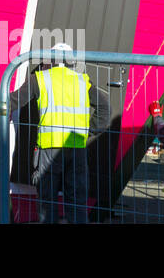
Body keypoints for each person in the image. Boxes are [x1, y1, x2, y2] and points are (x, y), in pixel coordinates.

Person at [10, 43, 100, 223]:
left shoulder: (40, 79)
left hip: (49, 149)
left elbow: (13, 101)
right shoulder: (83, 81)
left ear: (50, 59)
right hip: (76, 148)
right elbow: (105, 108)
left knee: (46, 201)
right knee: (76, 201)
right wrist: (90, 131)